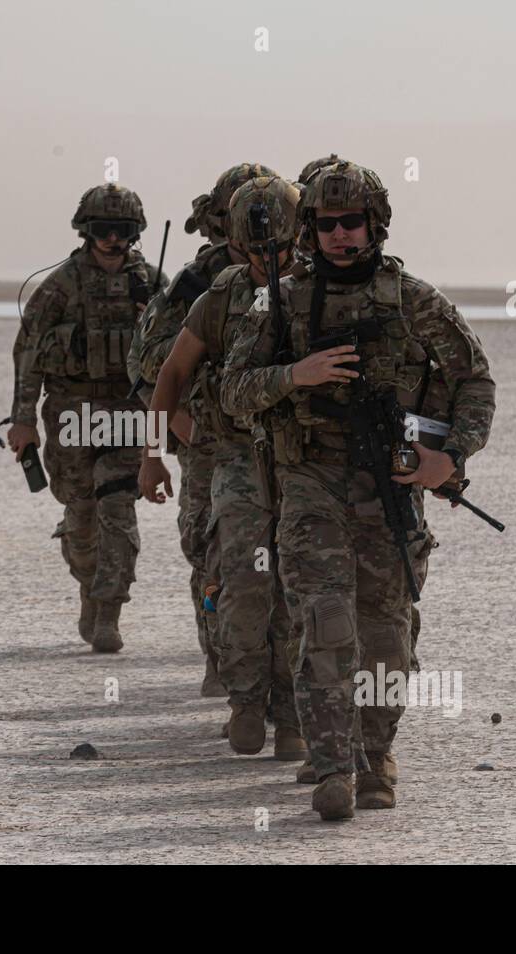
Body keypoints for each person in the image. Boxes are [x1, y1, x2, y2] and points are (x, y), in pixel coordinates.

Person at [220, 158, 496, 819]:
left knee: (386, 636)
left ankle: (376, 757)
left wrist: (447, 457)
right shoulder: (277, 301)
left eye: (353, 223)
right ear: (309, 230)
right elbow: (232, 392)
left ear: (377, 225)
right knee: (326, 623)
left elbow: (475, 382)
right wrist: (296, 375)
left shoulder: (413, 300)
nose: (341, 235)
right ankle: (334, 766)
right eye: (327, 224)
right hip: (310, 480)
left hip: (389, 486)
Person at [138, 176, 306, 762]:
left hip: (306, 463)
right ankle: (245, 698)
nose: (268, 262)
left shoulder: (319, 290)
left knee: (300, 589)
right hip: (236, 459)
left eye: (280, 251)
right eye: (255, 251)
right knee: (239, 582)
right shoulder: (219, 296)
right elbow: (169, 375)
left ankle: (292, 714)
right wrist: (153, 453)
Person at [125, 163, 275, 694]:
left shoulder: (299, 273)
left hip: (277, 444)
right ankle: (222, 657)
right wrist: (166, 438)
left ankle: (270, 685)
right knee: (209, 545)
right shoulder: (200, 283)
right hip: (208, 439)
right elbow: (148, 368)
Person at [8, 183, 165, 653]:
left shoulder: (154, 285)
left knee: (118, 506)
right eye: (103, 230)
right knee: (81, 515)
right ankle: (87, 584)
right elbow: (28, 354)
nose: (113, 240)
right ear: (85, 231)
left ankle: (109, 610)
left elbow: (179, 352)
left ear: (135, 232)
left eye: (122, 230)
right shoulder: (60, 286)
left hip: (127, 409)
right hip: (71, 412)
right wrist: (23, 419)